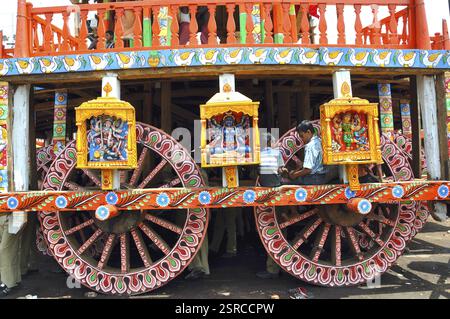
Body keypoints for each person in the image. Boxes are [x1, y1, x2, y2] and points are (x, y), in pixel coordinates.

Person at [255, 133, 286, 279]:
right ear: (271, 142)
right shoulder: (277, 153)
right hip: (276, 188)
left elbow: (257, 172)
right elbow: (280, 170)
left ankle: (273, 267)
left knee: (270, 226)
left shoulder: (259, 154)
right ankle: (279, 264)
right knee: (278, 226)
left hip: (265, 189)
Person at [280, 120, 328, 185]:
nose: (301, 139)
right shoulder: (319, 141)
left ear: (308, 132)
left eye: (302, 136)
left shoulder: (310, 146)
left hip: (313, 178)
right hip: (321, 177)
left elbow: (308, 170)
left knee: (286, 185)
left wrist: (295, 175)